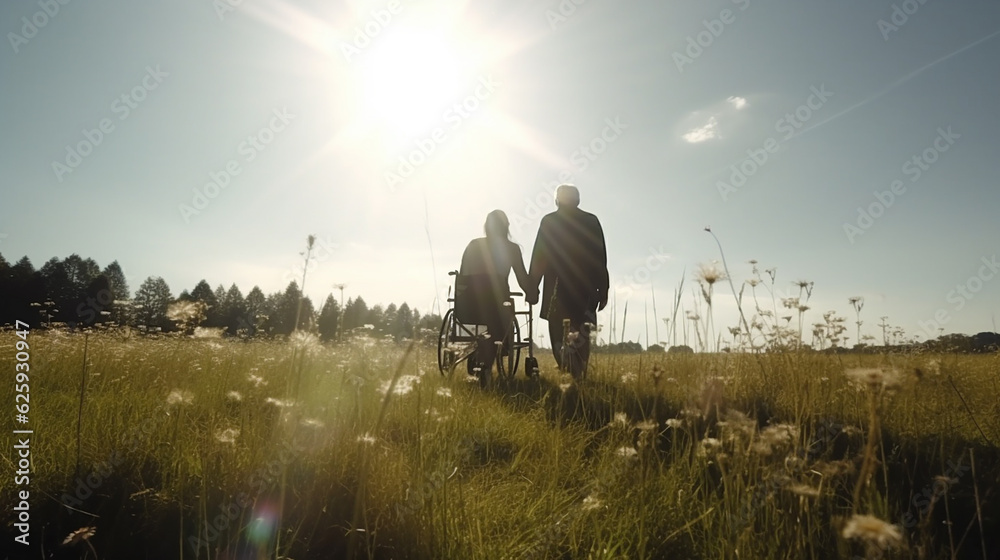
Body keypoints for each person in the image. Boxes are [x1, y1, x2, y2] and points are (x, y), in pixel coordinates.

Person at [526, 184, 609, 376]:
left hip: (557, 289)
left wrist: (533, 286)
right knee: (583, 333)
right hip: (586, 289)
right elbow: (600, 258)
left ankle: (569, 371)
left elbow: (540, 256)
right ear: (577, 200)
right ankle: (578, 374)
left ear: (556, 201)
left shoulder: (549, 222)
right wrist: (603, 289)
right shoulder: (591, 221)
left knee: (558, 331)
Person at [459, 210, 536, 374]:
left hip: (468, 305)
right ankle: (486, 363)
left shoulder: (473, 245)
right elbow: (522, 278)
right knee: (499, 318)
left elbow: (462, 277)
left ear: (487, 227)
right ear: (506, 227)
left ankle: (480, 359)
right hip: (497, 304)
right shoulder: (512, 249)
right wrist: (532, 293)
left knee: (484, 322)